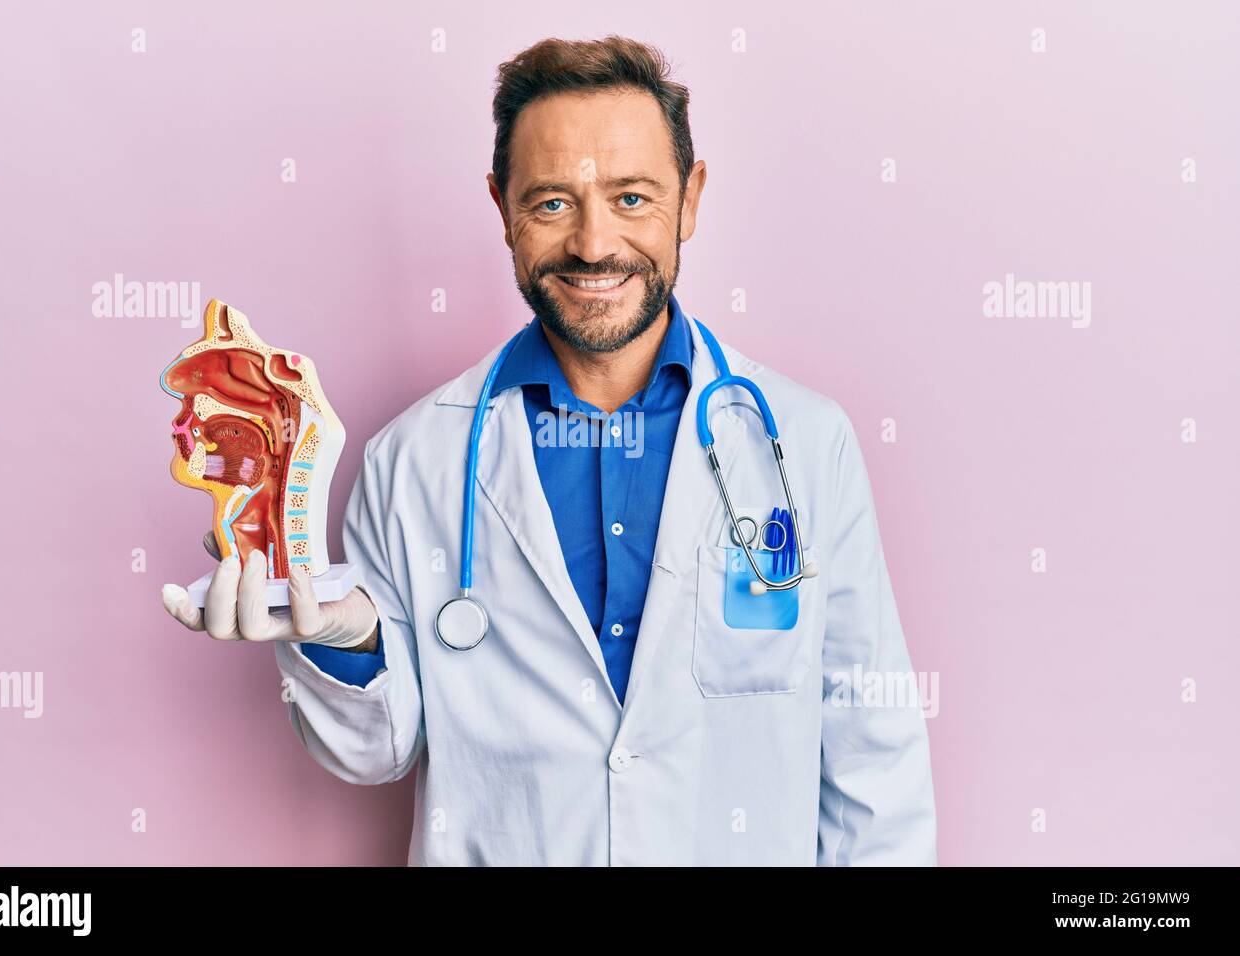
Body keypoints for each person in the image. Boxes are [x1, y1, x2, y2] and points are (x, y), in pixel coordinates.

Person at [161, 35, 936, 866]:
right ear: (502, 208)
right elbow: (368, 753)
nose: (595, 245)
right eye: (553, 203)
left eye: (633, 198)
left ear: (692, 197)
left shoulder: (804, 443)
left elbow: (871, 756)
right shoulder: (415, 458)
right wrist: (339, 641)